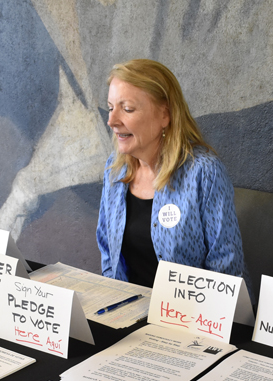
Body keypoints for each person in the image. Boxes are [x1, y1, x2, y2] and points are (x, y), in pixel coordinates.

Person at [97, 59, 247, 288]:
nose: (111, 120)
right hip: (129, 312)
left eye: (127, 109)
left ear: (164, 115)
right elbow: (108, 254)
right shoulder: (115, 170)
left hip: (191, 316)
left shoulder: (204, 172)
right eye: (110, 107)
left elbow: (226, 271)